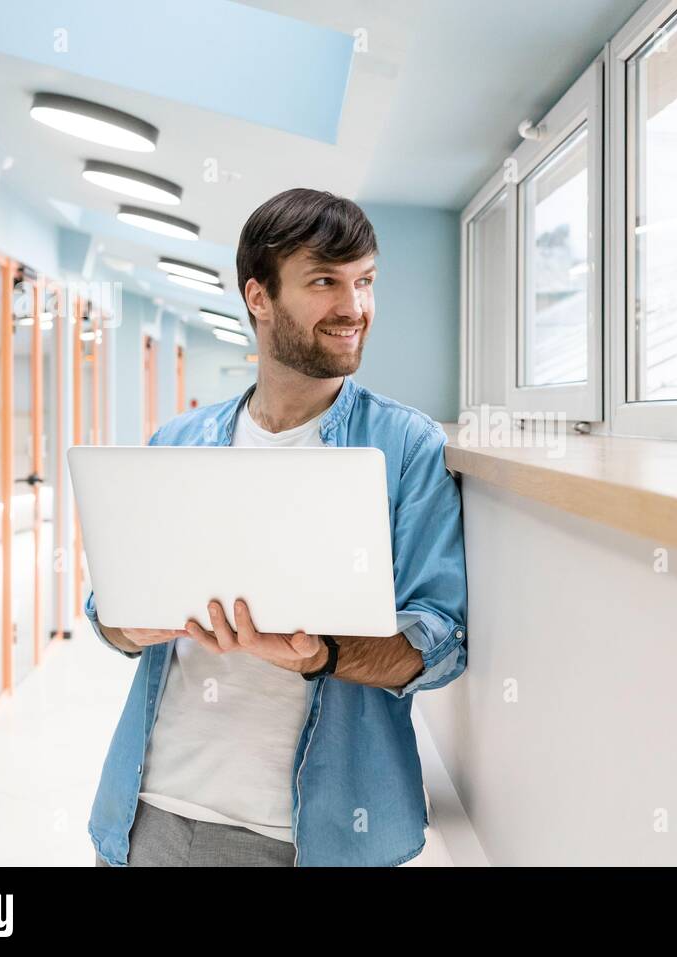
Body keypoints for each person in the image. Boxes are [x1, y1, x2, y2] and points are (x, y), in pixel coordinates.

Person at [85, 188, 468, 866]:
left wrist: (318, 653)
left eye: (365, 281)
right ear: (258, 296)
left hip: (306, 838)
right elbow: (108, 609)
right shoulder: (179, 439)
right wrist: (127, 624)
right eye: (325, 281)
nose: (354, 307)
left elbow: (438, 642)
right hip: (148, 814)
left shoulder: (405, 446)